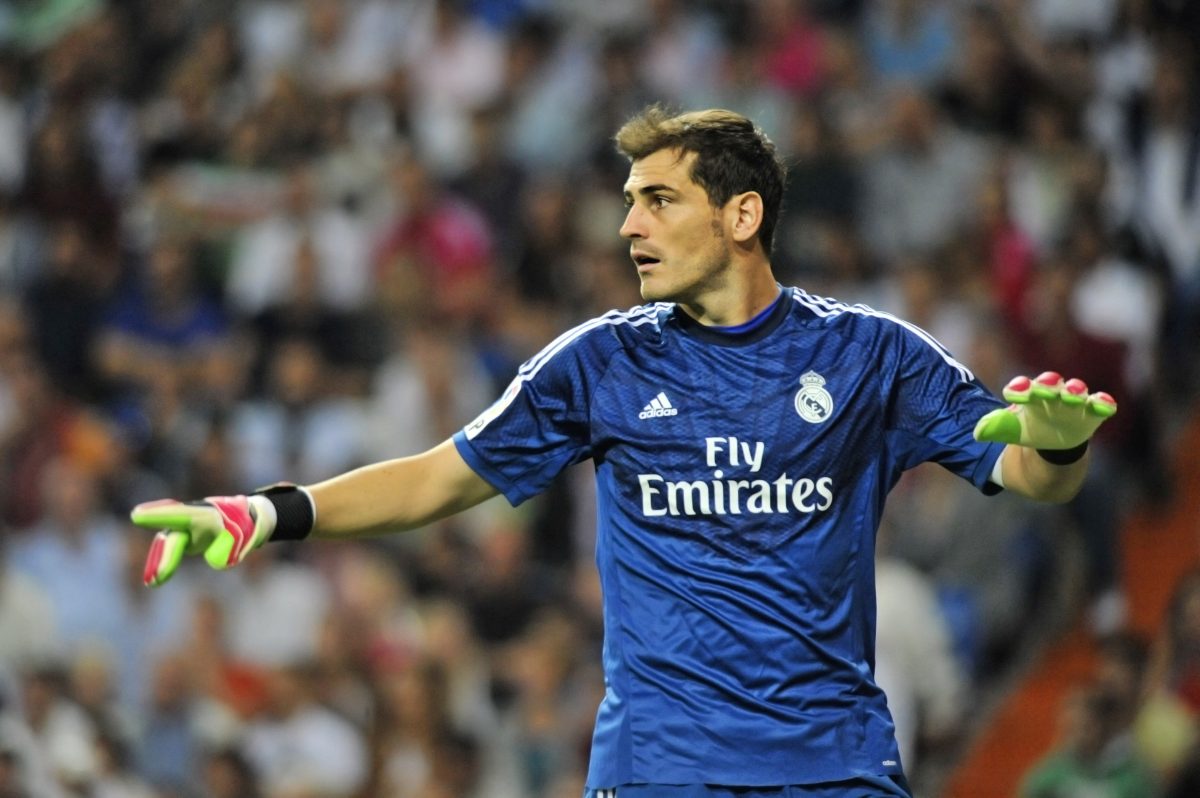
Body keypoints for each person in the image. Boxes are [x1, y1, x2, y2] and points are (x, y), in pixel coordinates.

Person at [131, 106, 1117, 797]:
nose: (627, 225)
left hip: (833, 763)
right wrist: (267, 511)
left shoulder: (872, 354)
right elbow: (439, 476)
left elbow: (1021, 473)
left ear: (743, 216)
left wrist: (1060, 450)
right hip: (661, 764)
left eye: (658, 201)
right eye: (628, 202)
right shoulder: (599, 362)